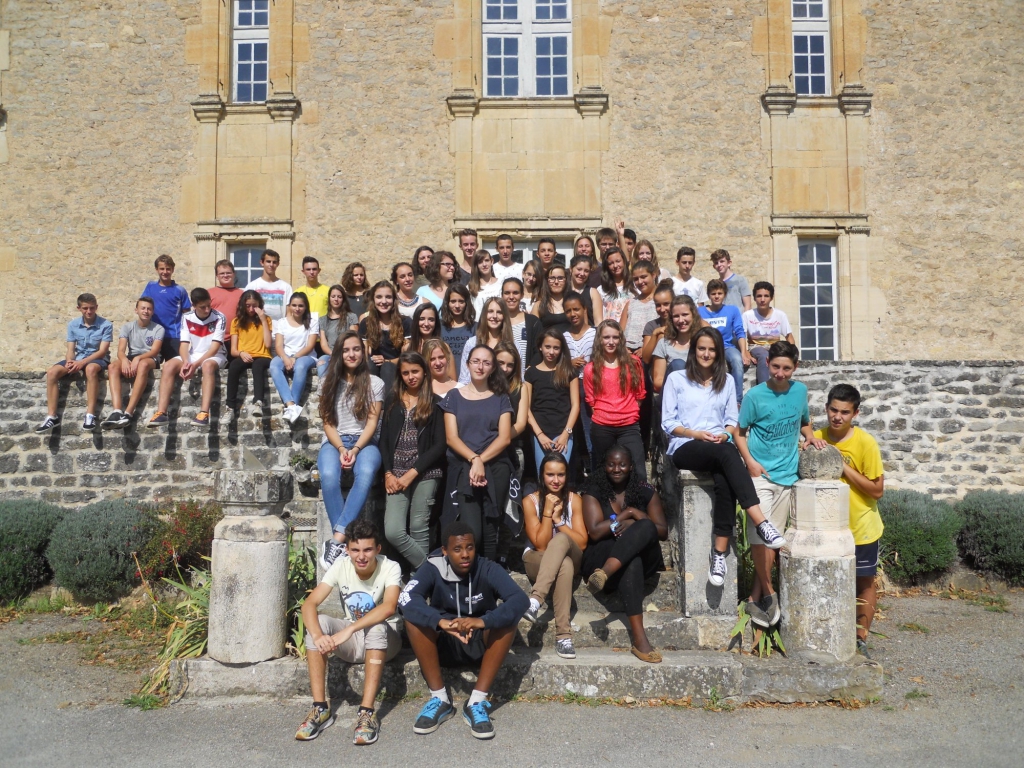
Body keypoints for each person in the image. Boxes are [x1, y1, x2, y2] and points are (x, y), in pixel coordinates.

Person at [661, 327, 785, 588]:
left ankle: (718, 555)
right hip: (686, 444)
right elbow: (668, 423)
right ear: (694, 350)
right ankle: (760, 521)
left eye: (712, 349)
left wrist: (725, 436)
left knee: (724, 474)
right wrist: (696, 433)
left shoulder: (727, 381)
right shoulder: (677, 379)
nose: (706, 354)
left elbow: (731, 422)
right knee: (726, 455)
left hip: (719, 447)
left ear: (719, 353)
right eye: (701, 348)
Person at [398, 521, 529, 740]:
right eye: (457, 549)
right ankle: (440, 699)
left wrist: (484, 621)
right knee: (413, 620)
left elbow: (520, 599)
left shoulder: (488, 567)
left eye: (469, 547)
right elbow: (406, 598)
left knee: (507, 621)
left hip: (479, 642)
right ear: (445, 551)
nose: (465, 554)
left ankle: (477, 701)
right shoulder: (433, 567)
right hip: (444, 642)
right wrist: (440, 622)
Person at [735, 341, 824, 628]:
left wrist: (810, 436)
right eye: (775, 367)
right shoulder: (755, 396)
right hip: (761, 477)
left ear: (795, 367)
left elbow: (804, 422)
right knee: (762, 538)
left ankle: (754, 598)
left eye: (787, 368)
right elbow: (740, 433)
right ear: (767, 364)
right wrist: (749, 461)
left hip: (788, 477)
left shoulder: (799, 391)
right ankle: (771, 593)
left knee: (772, 542)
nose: (781, 373)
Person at [296, 519, 402, 745]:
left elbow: (389, 606)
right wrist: (318, 636)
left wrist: (350, 628)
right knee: (320, 622)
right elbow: (309, 604)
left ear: (377, 549)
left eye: (367, 550)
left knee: (375, 625)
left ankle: (366, 712)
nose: (361, 556)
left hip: (384, 640)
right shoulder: (341, 565)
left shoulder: (390, 567)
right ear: (347, 549)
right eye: (355, 550)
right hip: (354, 642)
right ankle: (320, 708)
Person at [811, 384, 884, 658]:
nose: (837, 417)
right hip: (825, 528)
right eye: (833, 410)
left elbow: (877, 490)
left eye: (844, 412)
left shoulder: (865, 443)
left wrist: (842, 466)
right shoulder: (816, 437)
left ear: (856, 413)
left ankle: (860, 638)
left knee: (864, 582)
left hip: (861, 527)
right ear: (826, 408)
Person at [581, 446, 668, 663]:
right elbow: (594, 531)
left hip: (636, 559)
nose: (616, 469)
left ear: (631, 466)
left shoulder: (645, 490)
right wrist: (626, 516)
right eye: (611, 464)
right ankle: (640, 641)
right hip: (603, 552)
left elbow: (662, 531)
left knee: (647, 526)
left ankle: (606, 572)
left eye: (622, 464)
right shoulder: (594, 490)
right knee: (632, 561)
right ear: (604, 465)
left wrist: (633, 517)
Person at [439, 345, 514, 561]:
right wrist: (474, 459)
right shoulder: (453, 396)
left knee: (491, 530)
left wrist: (481, 460)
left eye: (486, 362)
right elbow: (451, 437)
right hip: (465, 467)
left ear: (492, 368)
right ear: (468, 363)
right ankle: (469, 579)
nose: (480, 366)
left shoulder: (501, 396)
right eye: (476, 361)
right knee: (472, 533)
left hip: (496, 467)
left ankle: (487, 581)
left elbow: (504, 437)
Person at [318, 331, 384, 570]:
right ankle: (347, 543)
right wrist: (340, 448)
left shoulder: (376, 384)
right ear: (339, 353)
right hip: (334, 440)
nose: (351, 354)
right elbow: (327, 422)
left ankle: (337, 541)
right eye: (346, 350)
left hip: (365, 442)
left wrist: (355, 449)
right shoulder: (327, 382)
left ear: (363, 351)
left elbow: (372, 423)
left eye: (356, 348)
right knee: (328, 476)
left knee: (365, 473)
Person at [381, 352, 446, 571]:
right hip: (395, 474)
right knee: (393, 530)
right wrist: (388, 473)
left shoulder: (436, 403)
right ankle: (431, 572)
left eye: (415, 371)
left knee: (419, 526)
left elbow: (439, 445)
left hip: (426, 473)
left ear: (425, 372)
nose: (411, 377)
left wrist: (413, 472)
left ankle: (420, 584)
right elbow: (384, 441)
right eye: (406, 373)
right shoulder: (392, 401)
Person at [521, 452, 588, 659]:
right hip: (536, 559)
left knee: (560, 541)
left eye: (561, 475)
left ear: (567, 475)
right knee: (564, 565)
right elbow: (540, 545)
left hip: (571, 553)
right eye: (550, 475)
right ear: (542, 475)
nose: (556, 480)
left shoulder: (574, 500)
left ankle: (535, 599)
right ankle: (563, 637)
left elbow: (582, 542)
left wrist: (559, 521)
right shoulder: (530, 501)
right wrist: (547, 512)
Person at [148, 287, 227, 429]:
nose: (207, 309)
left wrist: (195, 364)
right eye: (203, 307)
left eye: (209, 305)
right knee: (168, 366)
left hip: (215, 355)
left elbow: (214, 347)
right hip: (194, 353)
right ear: (194, 306)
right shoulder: (186, 317)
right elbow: (184, 345)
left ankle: (204, 413)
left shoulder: (219, 317)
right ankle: (161, 412)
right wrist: (186, 362)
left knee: (207, 366)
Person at [36, 293, 113, 433]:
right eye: (85, 308)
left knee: (90, 369)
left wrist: (82, 362)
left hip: (98, 359)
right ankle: (51, 416)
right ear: (79, 308)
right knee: (52, 372)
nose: (89, 311)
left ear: (96, 307)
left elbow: (102, 351)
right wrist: (71, 361)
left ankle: (90, 415)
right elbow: (70, 349)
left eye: (91, 308)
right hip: (79, 357)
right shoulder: (73, 325)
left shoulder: (106, 325)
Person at [583, 320, 647, 479]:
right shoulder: (591, 368)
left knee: (638, 472)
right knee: (603, 472)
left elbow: (640, 394)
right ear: (599, 339)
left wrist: (628, 413)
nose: (611, 342)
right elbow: (591, 401)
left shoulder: (634, 363)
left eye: (615, 337)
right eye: (606, 337)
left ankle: (637, 503)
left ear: (621, 339)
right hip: (602, 426)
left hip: (629, 425)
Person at [101, 296, 163, 429]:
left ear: (152, 312)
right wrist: (124, 360)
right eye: (143, 308)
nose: (146, 311)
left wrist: (138, 358)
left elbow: (154, 351)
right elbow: (121, 350)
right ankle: (117, 411)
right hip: (131, 356)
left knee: (143, 365)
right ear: (137, 310)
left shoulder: (158, 328)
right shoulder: (127, 327)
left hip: (149, 358)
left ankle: (129, 412)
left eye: (149, 309)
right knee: (112, 367)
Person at [525, 330, 579, 476]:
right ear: (540, 347)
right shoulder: (531, 373)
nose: (551, 351)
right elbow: (526, 409)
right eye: (547, 347)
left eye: (556, 348)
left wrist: (566, 434)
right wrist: (539, 434)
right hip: (540, 434)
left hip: (563, 432)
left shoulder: (569, 371)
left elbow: (575, 406)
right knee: (543, 475)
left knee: (561, 475)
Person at [270, 292, 319, 424]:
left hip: (306, 356)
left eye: (300, 306)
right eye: (294, 305)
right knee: (274, 365)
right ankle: (291, 406)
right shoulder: (282, 323)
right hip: (285, 355)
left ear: (305, 307)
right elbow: (279, 346)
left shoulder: (312, 322)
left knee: (301, 366)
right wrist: (286, 358)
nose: (297, 309)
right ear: (289, 306)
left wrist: (295, 357)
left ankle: (294, 403)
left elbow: (310, 346)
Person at [699, 278, 748, 407]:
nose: (716, 296)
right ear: (709, 295)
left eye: (719, 293)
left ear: (724, 294)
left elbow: (739, 331)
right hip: (707, 348)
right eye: (713, 294)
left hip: (726, 346)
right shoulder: (700, 312)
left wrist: (744, 352)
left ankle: (737, 401)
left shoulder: (732, 310)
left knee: (737, 361)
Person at [225, 290, 273, 419]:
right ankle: (230, 407)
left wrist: (263, 320)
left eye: (254, 305)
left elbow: (268, 344)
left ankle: (258, 402)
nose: (251, 309)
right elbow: (233, 351)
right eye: (248, 306)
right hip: (244, 355)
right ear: (242, 305)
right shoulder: (236, 322)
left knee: (258, 365)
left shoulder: (266, 320)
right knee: (234, 366)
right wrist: (241, 353)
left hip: (263, 356)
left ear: (259, 305)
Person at [359, 281, 411, 392]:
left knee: (387, 368)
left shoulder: (405, 322)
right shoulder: (366, 323)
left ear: (394, 300)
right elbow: (364, 354)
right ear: (373, 300)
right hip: (373, 369)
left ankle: (387, 406)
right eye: (379, 297)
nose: (383, 301)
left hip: (396, 367)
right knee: (371, 364)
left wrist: (387, 361)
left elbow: (407, 355)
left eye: (388, 297)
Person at [141, 254, 191, 366]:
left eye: (168, 269)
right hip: (153, 334)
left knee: (174, 369)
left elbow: (187, 315)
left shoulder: (180, 290)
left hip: (173, 336)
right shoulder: (150, 286)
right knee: (149, 367)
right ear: (156, 270)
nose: (165, 272)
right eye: (162, 269)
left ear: (173, 270)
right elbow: (143, 307)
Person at [743, 281, 795, 385]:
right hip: (756, 347)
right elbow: (742, 336)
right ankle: (764, 387)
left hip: (775, 348)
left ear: (771, 298)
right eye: (759, 296)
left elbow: (789, 337)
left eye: (766, 296)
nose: (762, 299)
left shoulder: (780, 315)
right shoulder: (747, 315)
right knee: (764, 355)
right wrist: (745, 352)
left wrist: (793, 355)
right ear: (754, 298)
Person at [651, 295, 703, 392]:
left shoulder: (702, 343)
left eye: (685, 314)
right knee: (678, 364)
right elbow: (657, 382)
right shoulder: (664, 344)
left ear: (693, 315)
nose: (681, 320)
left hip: (698, 394)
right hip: (671, 395)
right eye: (676, 316)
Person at [457, 297, 513, 384]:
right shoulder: (472, 343)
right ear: (484, 314)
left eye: (499, 312)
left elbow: (519, 378)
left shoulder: (513, 344)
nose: (494, 316)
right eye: (490, 311)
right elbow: (464, 379)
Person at [317, 284, 359, 378]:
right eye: (333, 296)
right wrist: (333, 354)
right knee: (321, 364)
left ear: (343, 299)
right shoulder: (322, 320)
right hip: (330, 354)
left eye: (339, 297)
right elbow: (323, 344)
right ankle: (325, 391)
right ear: (329, 299)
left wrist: (341, 354)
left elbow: (353, 338)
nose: (336, 299)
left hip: (347, 354)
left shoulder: (351, 317)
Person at [501, 277, 541, 374]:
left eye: (515, 293)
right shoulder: (497, 321)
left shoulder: (533, 322)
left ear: (522, 295)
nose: (511, 297)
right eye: (507, 293)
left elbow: (539, 351)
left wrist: (530, 369)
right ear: (502, 295)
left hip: (524, 379)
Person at [244, 248, 293, 321]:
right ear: (262, 262)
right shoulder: (252, 286)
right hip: (258, 327)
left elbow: (289, 313)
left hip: (279, 329)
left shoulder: (286, 287)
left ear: (278, 264)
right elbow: (245, 310)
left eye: (274, 262)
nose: (271, 265)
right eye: (268, 261)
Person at [590, 247, 632, 328]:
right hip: (610, 333)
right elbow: (599, 319)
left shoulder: (634, 286)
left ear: (624, 261)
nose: (615, 265)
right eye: (611, 263)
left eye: (618, 261)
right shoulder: (601, 290)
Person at [623, 261, 658, 354]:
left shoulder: (661, 301)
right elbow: (620, 331)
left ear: (653, 275)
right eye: (636, 279)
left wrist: (645, 349)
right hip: (628, 354)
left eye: (643, 277)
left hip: (652, 353)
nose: (640, 282)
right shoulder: (631, 303)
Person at [440, 283, 476, 368]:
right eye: (453, 301)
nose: (457, 306)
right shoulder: (439, 326)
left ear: (466, 303)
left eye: (461, 301)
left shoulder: (475, 327)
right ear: (447, 303)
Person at [639, 280, 675, 366]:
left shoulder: (682, 322)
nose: (662, 309)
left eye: (666, 304)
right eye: (658, 305)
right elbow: (646, 358)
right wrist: (655, 334)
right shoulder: (651, 325)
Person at [531, 263, 571, 335]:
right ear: (547, 281)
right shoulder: (538, 305)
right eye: (552, 278)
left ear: (566, 280)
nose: (556, 282)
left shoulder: (573, 302)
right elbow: (533, 333)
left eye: (560, 278)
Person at [468, 250, 501, 317]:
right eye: (480, 262)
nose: (484, 264)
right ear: (476, 265)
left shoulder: (501, 284)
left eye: (486, 260)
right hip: (478, 325)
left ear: (491, 261)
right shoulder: (470, 287)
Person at [569, 254, 596, 325]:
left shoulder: (593, 292)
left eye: (586, 271)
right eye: (579, 269)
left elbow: (598, 322)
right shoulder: (563, 290)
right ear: (571, 269)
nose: (582, 273)